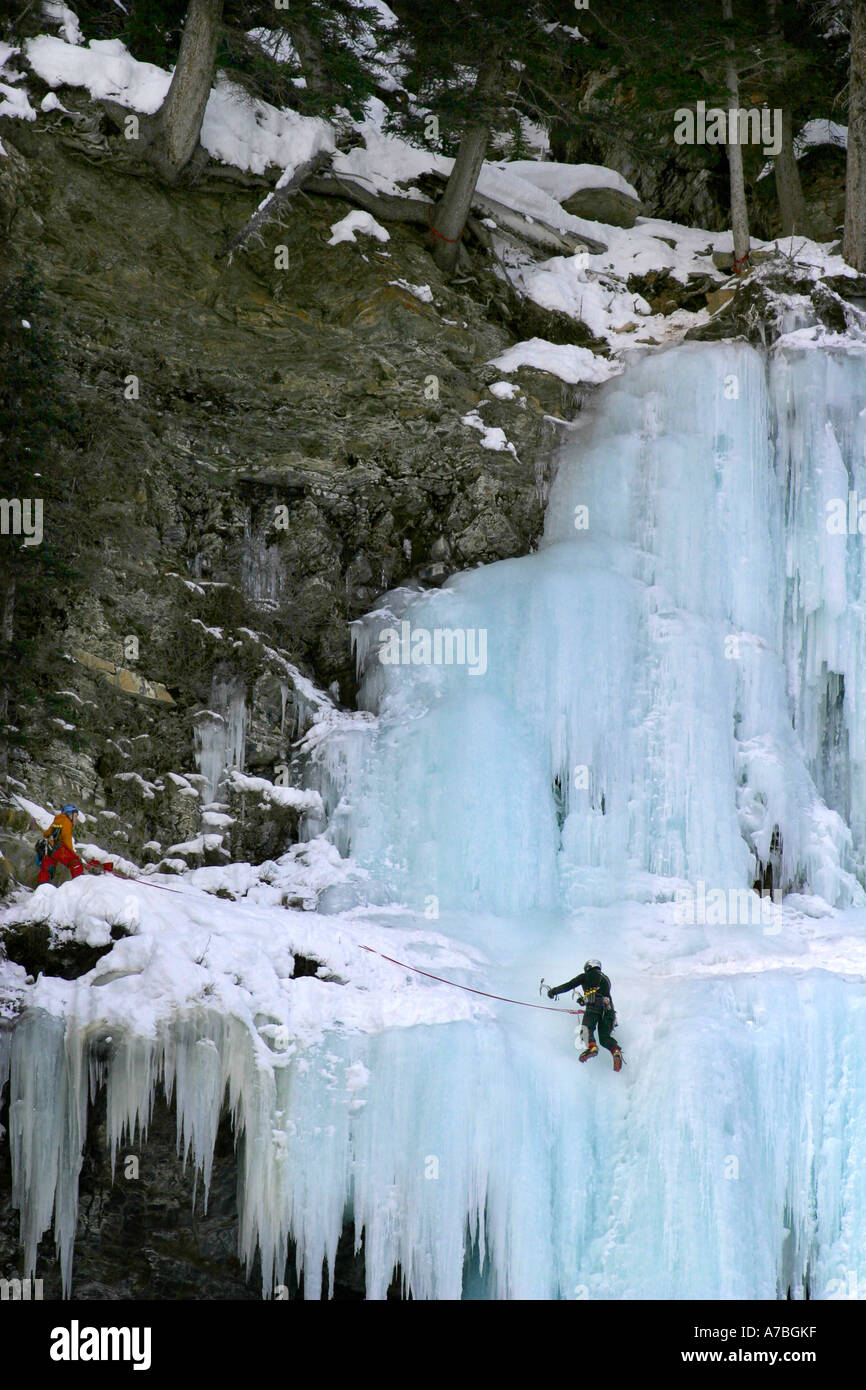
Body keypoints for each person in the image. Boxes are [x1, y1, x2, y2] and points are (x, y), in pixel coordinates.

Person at [548, 959, 623, 1070]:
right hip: (609, 1009)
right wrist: (584, 1000)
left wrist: (553, 991)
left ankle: (592, 1047)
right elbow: (601, 993)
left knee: (586, 1029)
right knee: (605, 1038)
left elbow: (569, 985)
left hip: (594, 1005)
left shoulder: (585, 976)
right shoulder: (606, 979)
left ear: (589, 967)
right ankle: (615, 1051)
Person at [36, 803, 85, 886]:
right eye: (76, 816)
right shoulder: (66, 821)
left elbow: (46, 833)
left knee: (47, 870)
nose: (76, 819)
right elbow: (67, 839)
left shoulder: (58, 819)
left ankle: (42, 888)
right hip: (58, 848)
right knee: (75, 861)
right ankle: (79, 884)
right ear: (70, 814)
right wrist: (72, 853)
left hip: (49, 848)